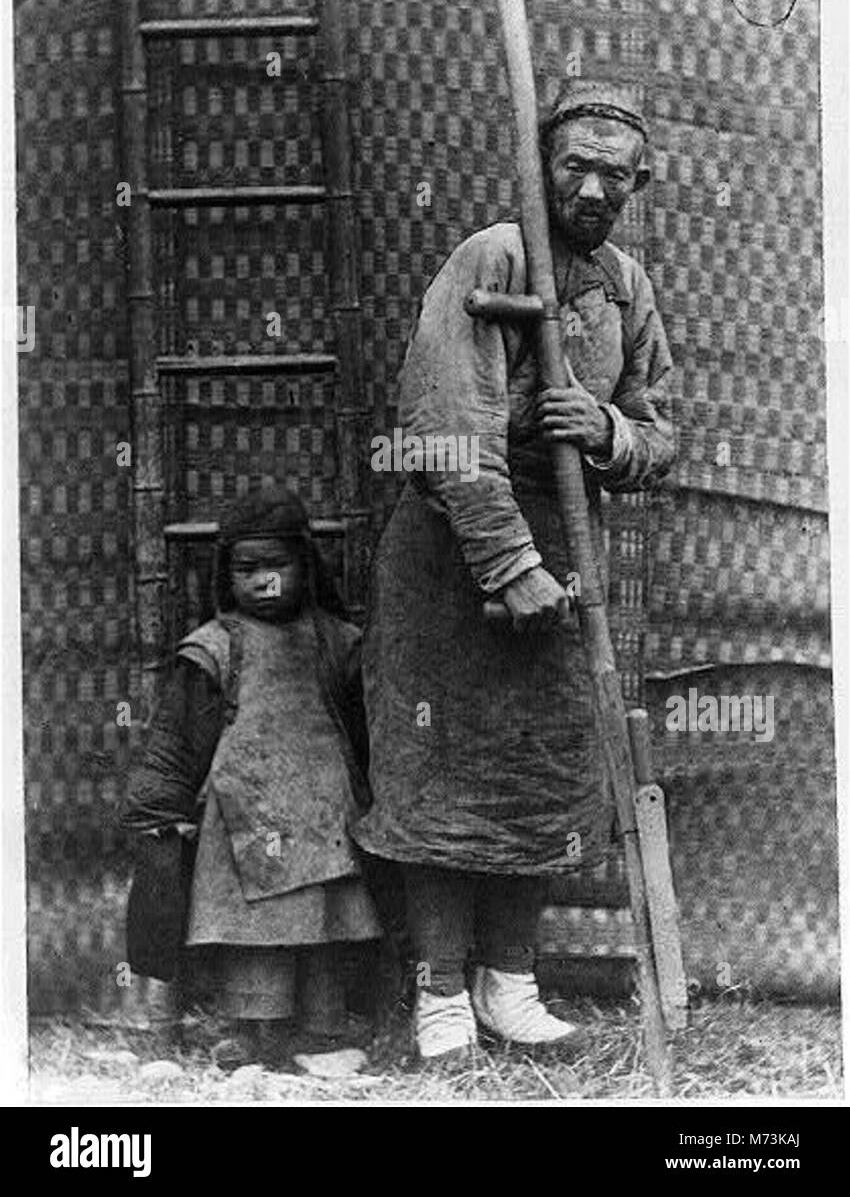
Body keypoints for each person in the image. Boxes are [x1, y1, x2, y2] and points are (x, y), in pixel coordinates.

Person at [351, 77, 676, 1061]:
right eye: (574, 165)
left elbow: (664, 428)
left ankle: (509, 983)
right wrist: (506, 563)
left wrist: (607, 426)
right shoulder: (490, 257)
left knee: (537, 765)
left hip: (568, 542)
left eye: (613, 176)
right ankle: (439, 990)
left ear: (635, 186)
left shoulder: (625, 284)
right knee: (439, 765)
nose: (591, 187)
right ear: (540, 165)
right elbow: (443, 422)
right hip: (457, 549)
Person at [121, 487, 381, 1067]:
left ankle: (322, 1031)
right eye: (247, 568)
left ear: (306, 566)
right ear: (226, 573)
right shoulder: (213, 649)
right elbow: (175, 739)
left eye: (277, 565)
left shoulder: (336, 641)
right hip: (240, 817)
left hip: (324, 818)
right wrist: (159, 811)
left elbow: (370, 729)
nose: (264, 580)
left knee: (323, 925)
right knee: (254, 933)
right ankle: (254, 1034)